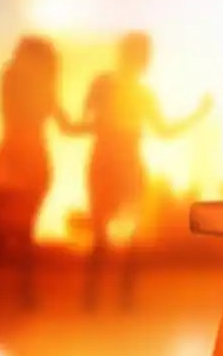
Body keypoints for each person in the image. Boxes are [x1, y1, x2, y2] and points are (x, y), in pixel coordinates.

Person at [80, 32, 211, 310]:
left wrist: (197, 114)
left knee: (124, 232)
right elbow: (163, 131)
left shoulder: (131, 91)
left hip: (119, 160)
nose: (143, 61)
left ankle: (111, 295)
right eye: (141, 55)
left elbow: (163, 131)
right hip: (113, 160)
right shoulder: (111, 86)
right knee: (107, 230)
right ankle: (103, 295)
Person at [0, 37, 79, 309]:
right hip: (18, 159)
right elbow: (64, 125)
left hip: (30, 160)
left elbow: (67, 126)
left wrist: (104, 127)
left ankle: (20, 292)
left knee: (20, 230)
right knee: (3, 227)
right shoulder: (16, 82)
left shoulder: (34, 87)